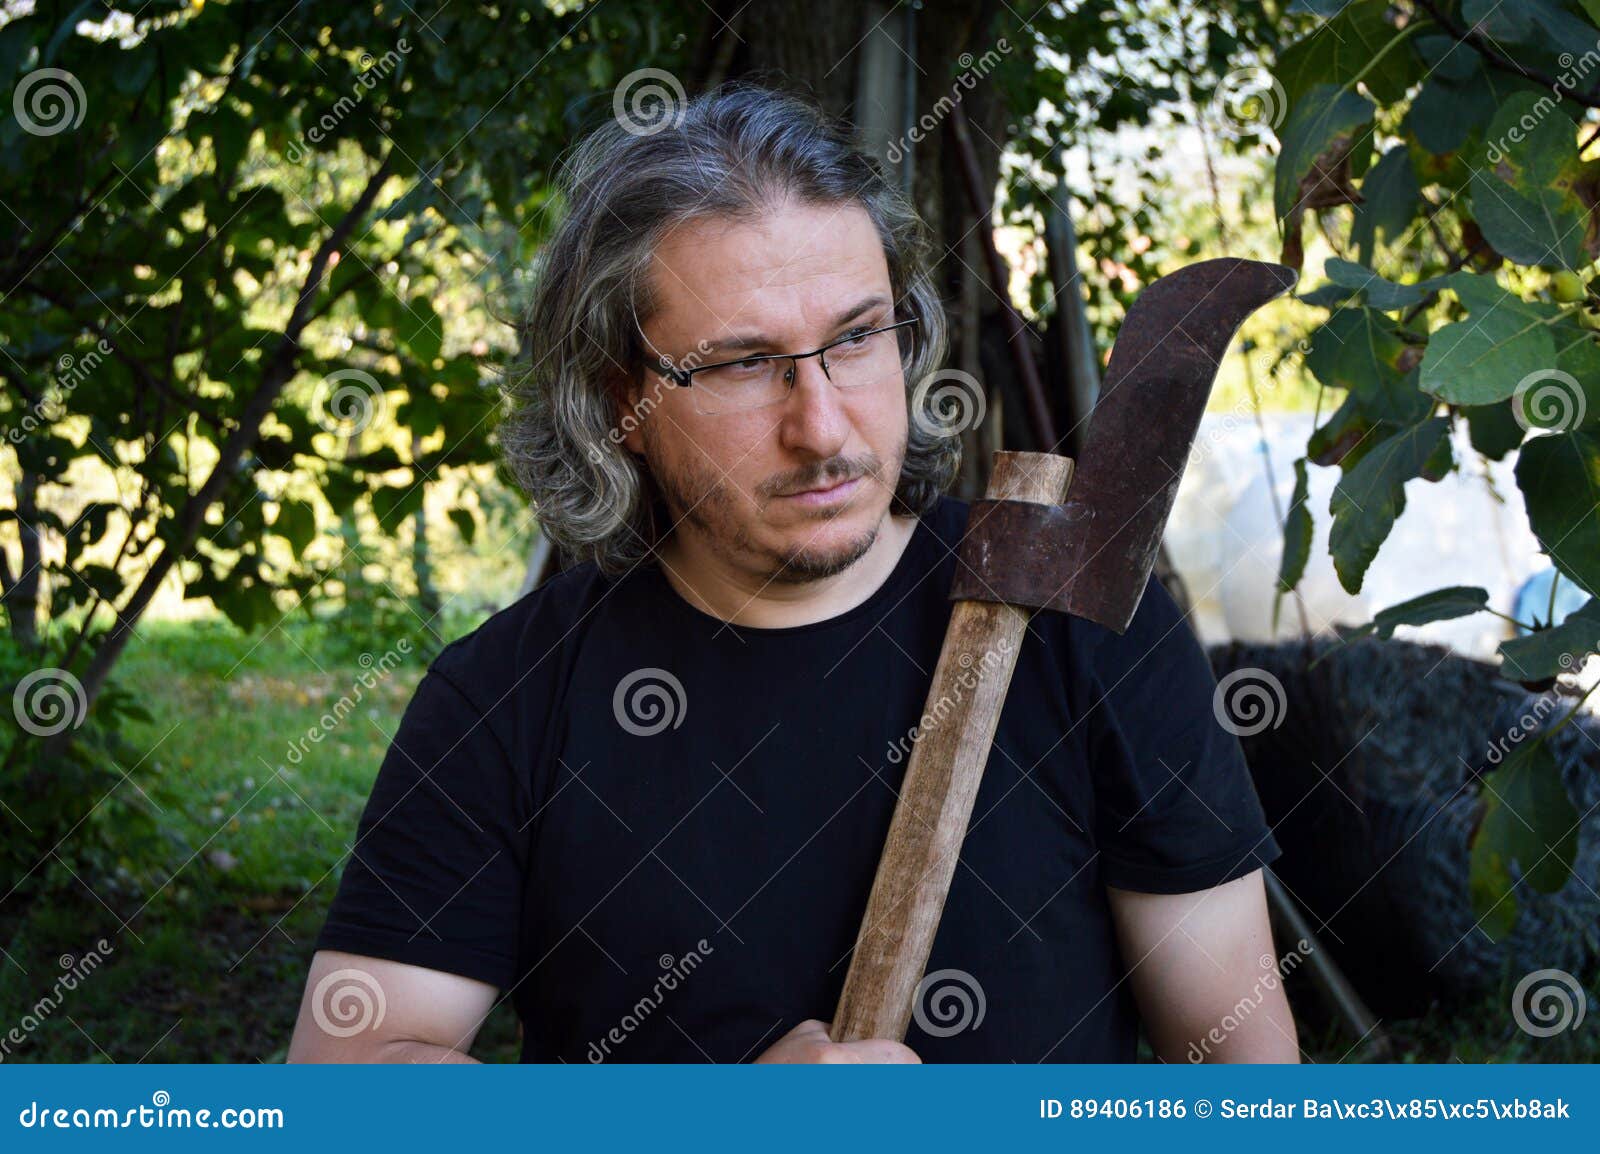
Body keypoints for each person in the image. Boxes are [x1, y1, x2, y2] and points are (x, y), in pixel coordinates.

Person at [287, 82, 1297, 1064]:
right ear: (617, 400)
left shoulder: (1078, 627)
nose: (820, 426)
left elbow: (1245, 1077)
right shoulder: (504, 697)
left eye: (855, 337)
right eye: (737, 364)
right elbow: (351, 1082)